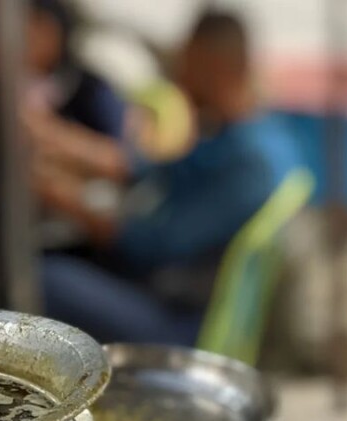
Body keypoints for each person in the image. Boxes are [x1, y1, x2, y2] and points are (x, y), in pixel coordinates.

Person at [30, 9, 303, 346]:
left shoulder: (252, 164)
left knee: (40, 277)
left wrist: (65, 200)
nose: (180, 79)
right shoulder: (246, 132)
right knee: (58, 256)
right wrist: (58, 141)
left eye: (187, 66)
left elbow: (147, 245)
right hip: (164, 291)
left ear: (214, 67)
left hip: (177, 323)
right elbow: (152, 170)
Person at [26, 0, 127, 140]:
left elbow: (117, 156)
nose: (30, 38)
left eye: (38, 29)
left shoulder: (89, 89)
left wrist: (47, 130)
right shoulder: (7, 87)